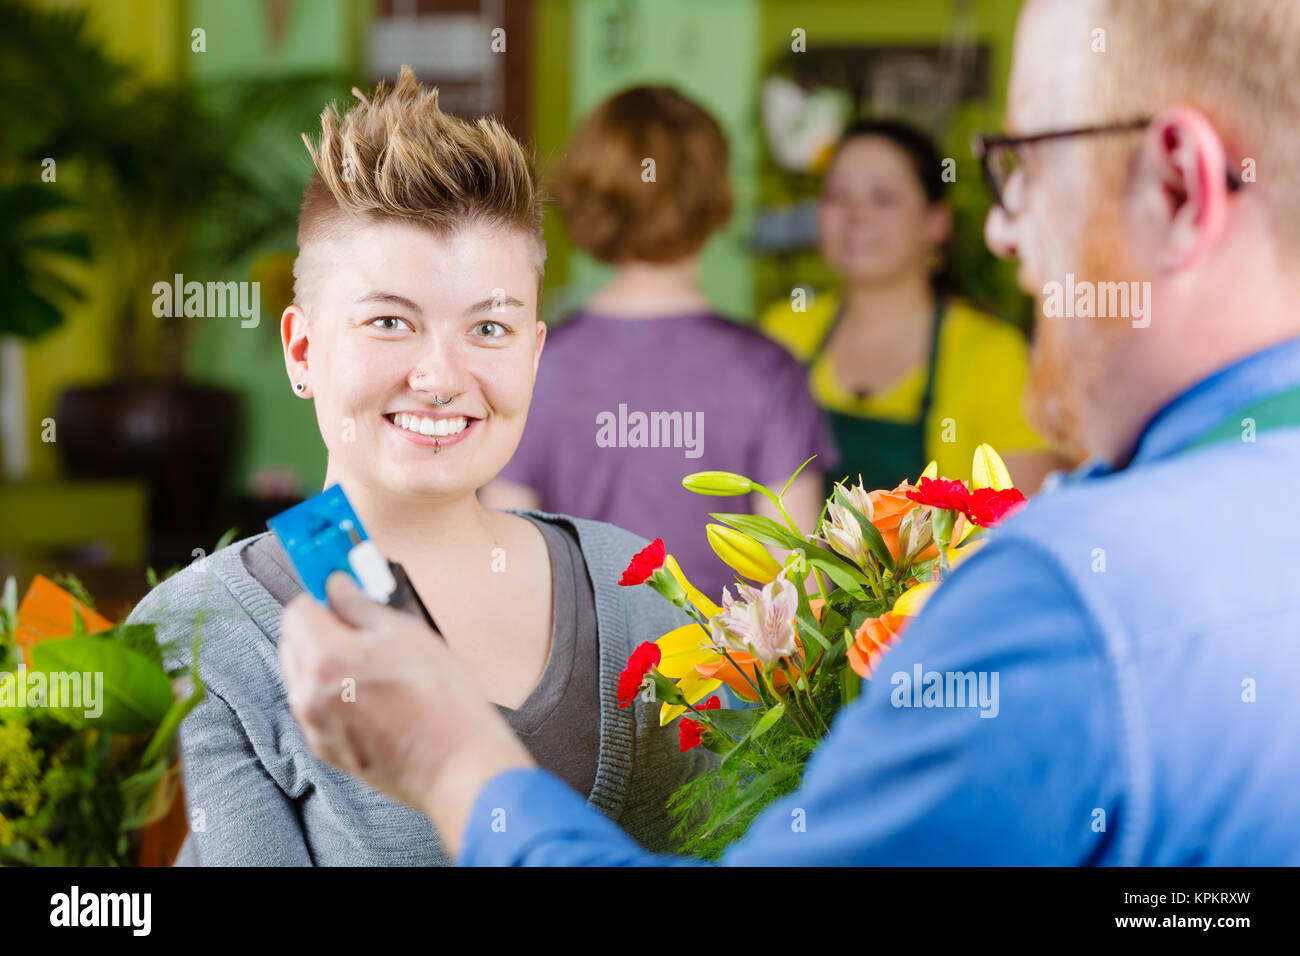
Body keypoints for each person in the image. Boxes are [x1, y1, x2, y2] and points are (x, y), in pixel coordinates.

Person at [279, 0, 1300, 865]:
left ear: (1177, 186)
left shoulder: (1069, 603)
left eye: (1022, 164)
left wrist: (453, 755)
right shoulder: (778, 361)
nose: (1001, 227)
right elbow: (792, 572)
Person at [127, 67, 712, 865]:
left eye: (490, 330)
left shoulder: (635, 589)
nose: (440, 376)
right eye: (391, 322)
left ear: (536, 355)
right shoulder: (197, 637)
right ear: (302, 350)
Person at [478, 86, 837, 602]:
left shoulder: (539, 364)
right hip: (731, 682)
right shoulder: (768, 371)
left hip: (585, 677)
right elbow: (802, 589)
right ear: (717, 200)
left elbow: (508, 569)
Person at [761, 119, 1069, 495]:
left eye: (882, 197)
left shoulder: (994, 356)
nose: (856, 215)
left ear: (935, 222)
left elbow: (1020, 528)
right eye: (837, 195)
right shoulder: (782, 333)